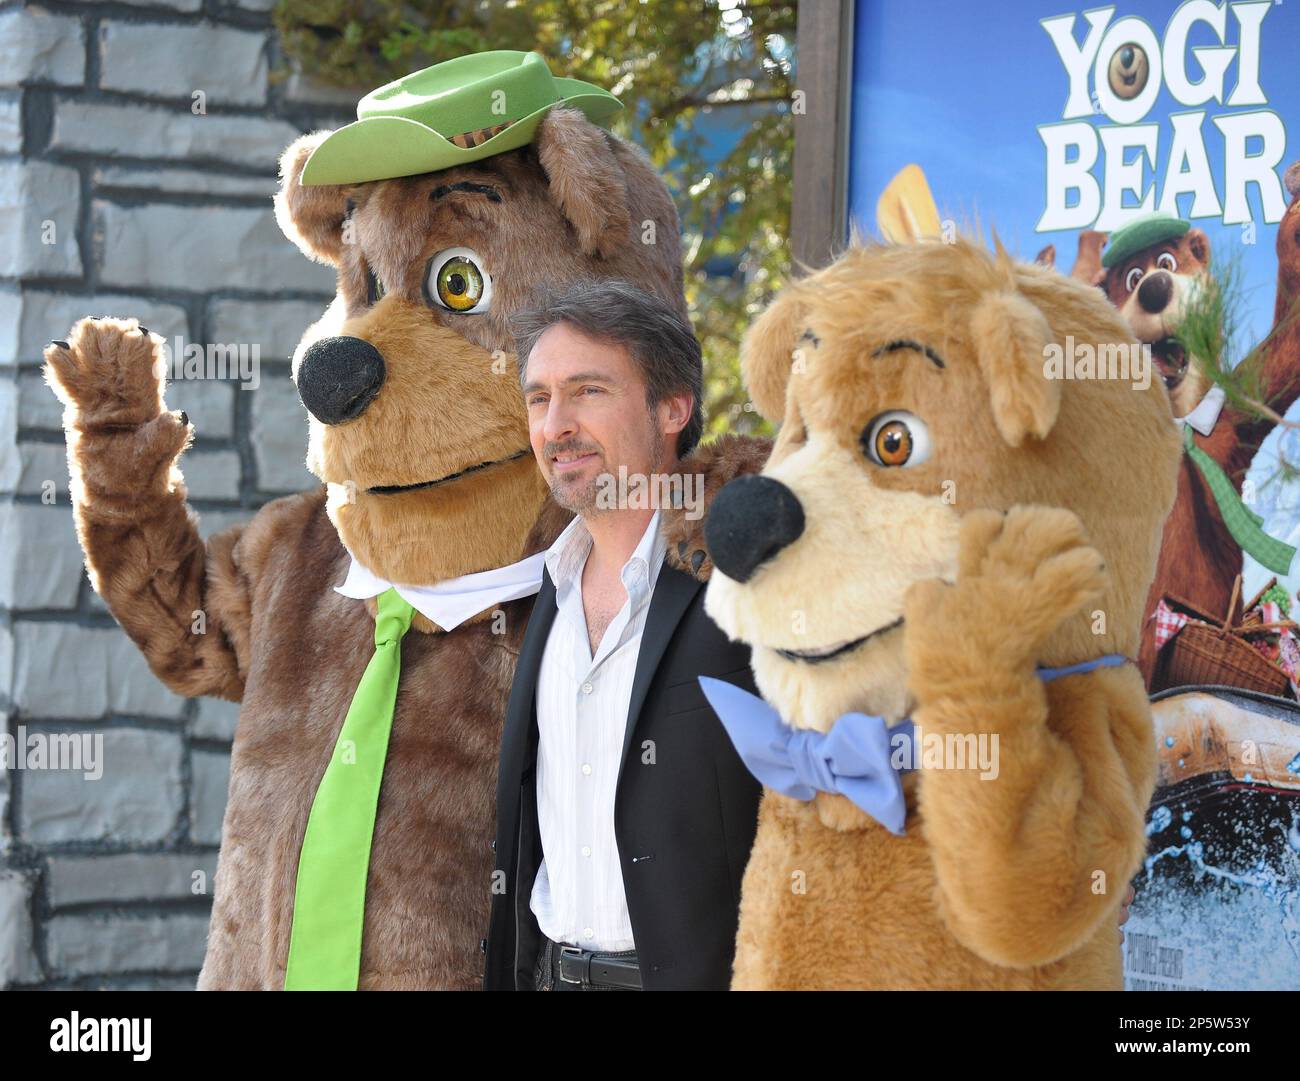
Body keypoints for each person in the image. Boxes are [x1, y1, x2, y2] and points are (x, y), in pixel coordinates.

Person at [482, 279, 764, 991]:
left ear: (673, 407)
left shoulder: (745, 581)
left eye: (588, 391)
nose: (555, 425)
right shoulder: (542, 587)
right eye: (540, 398)